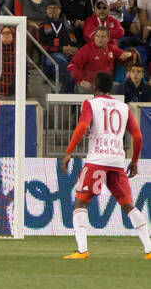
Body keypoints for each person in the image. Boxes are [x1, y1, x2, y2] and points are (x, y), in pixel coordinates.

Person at [61, 71, 149, 257]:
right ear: (111, 88)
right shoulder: (123, 107)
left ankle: (82, 250)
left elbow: (83, 126)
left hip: (97, 160)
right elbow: (138, 136)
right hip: (117, 161)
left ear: (94, 87)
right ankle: (149, 249)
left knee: (80, 205)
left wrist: (69, 151)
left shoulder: (90, 103)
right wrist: (134, 161)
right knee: (128, 205)